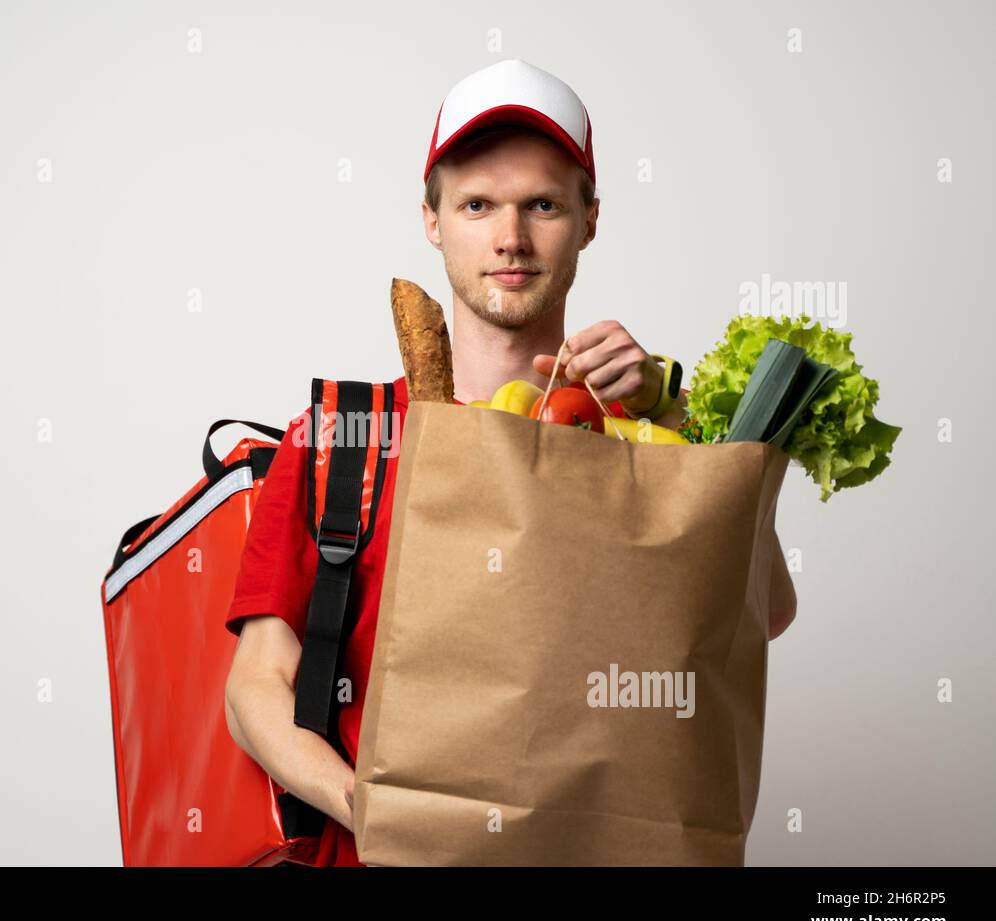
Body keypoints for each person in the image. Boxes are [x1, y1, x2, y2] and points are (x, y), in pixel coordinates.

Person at [222, 58, 798, 867]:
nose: (510, 238)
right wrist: (368, 806)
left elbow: (764, 612)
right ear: (431, 220)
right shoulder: (345, 441)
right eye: (477, 204)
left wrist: (673, 418)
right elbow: (256, 689)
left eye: (544, 205)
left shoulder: (645, 437)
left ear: (590, 219)